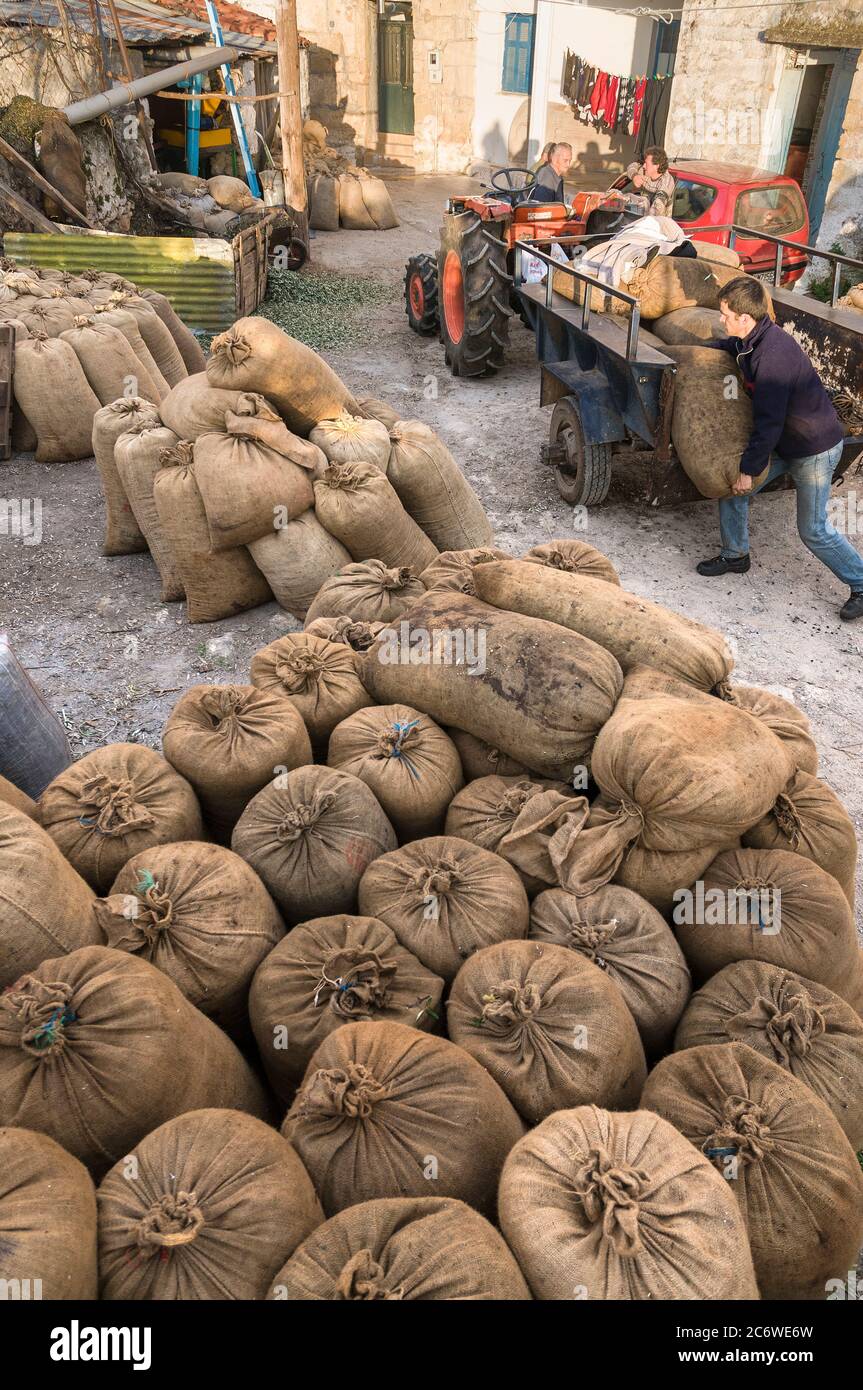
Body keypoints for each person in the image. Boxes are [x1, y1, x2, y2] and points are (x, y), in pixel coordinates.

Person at [696, 276, 863, 622]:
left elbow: (768, 424)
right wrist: (700, 351)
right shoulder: (753, 340)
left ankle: (860, 583)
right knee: (732, 485)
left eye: (726, 316)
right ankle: (735, 554)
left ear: (746, 318)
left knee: (813, 529)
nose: (722, 321)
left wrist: (749, 468)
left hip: (813, 451)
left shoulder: (774, 358)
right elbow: (734, 349)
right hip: (788, 442)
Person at [624, 146, 675, 217]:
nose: (644, 166)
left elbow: (656, 209)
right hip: (639, 217)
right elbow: (632, 166)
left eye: (646, 163)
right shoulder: (645, 171)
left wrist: (627, 207)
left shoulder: (666, 182)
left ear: (657, 165)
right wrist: (634, 176)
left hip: (657, 223)